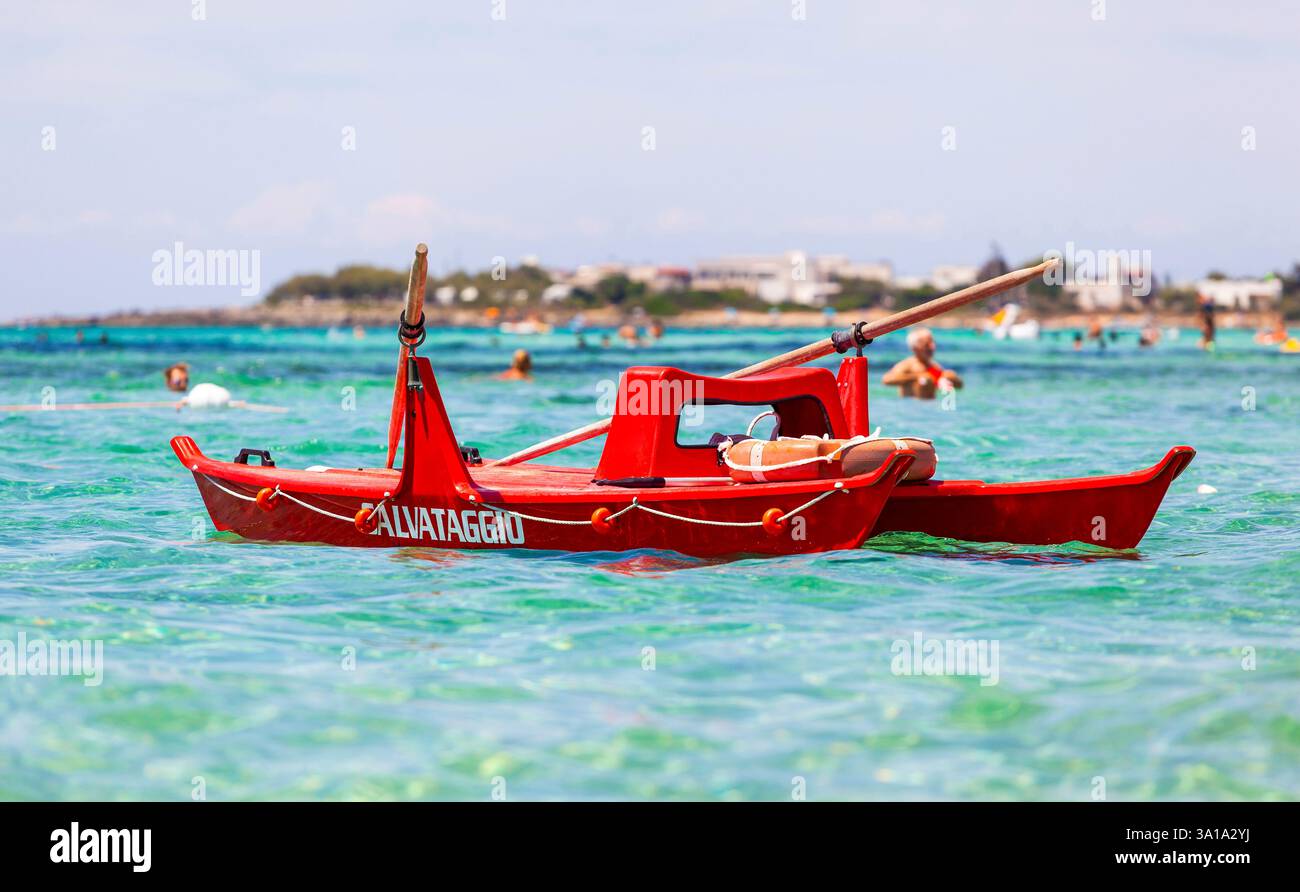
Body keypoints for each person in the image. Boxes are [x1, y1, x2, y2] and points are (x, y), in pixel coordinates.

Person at [882, 328, 963, 399]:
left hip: (928, 410)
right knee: (925, 380)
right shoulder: (908, 364)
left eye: (932, 343)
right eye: (927, 344)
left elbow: (959, 386)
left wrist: (951, 377)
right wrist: (917, 376)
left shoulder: (934, 366)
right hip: (910, 409)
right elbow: (887, 379)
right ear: (915, 347)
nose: (932, 347)